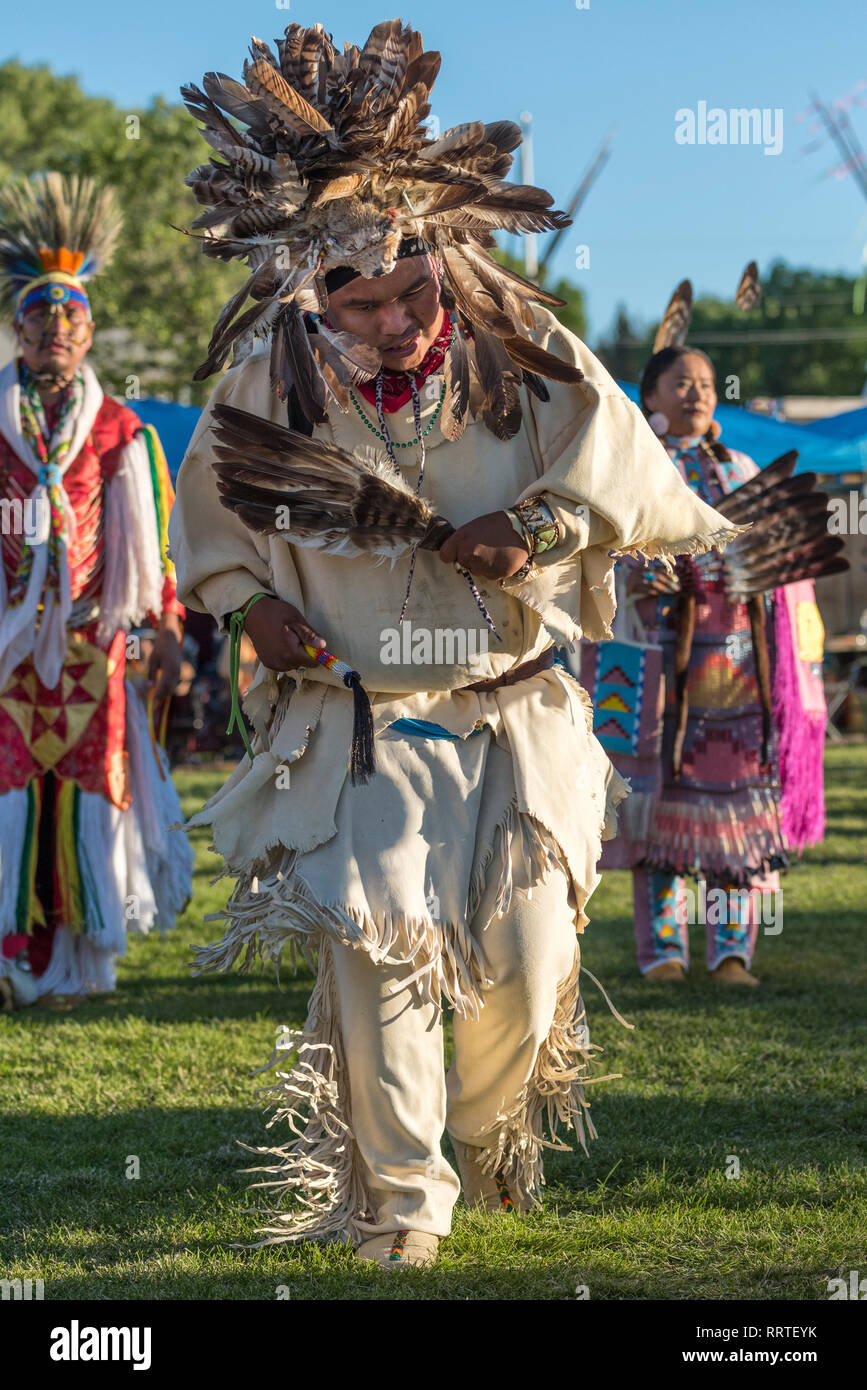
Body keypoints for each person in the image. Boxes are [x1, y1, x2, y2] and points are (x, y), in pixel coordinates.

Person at [169, 19, 739, 1268]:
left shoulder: (516, 348)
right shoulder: (271, 382)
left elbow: (633, 475)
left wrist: (533, 525)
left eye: (412, 290)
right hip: (362, 717)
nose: (395, 320)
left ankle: (483, 1142)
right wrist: (251, 609)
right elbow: (208, 523)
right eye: (362, 302)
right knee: (381, 964)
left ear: (445, 254)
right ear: (314, 295)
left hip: (511, 711)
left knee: (527, 978)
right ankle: (404, 1206)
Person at [0, 173, 194, 1007]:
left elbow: (154, 552)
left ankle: (83, 961)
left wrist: (167, 631)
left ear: (88, 334)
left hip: (90, 645)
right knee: (7, 795)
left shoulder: (121, 430)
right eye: (41, 316)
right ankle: (14, 959)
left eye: (70, 317)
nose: (55, 329)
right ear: (16, 327)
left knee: (86, 799)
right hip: (6, 643)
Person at [585, 332, 827, 986]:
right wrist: (636, 578)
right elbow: (594, 558)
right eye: (682, 383)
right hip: (649, 670)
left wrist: (749, 576)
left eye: (706, 384)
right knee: (657, 813)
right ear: (650, 397)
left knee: (733, 818)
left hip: (738, 673)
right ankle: (662, 951)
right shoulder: (627, 474)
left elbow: (784, 569)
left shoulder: (742, 470)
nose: (697, 394)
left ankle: (729, 953)